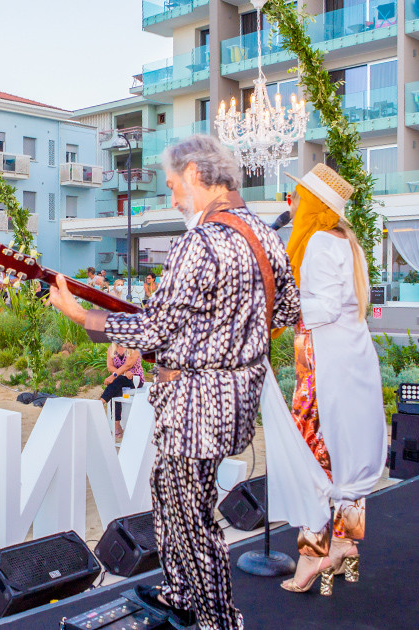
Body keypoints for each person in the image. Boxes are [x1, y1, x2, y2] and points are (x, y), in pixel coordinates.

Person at [49, 135, 299, 630]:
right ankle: (179, 591)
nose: (172, 198)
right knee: (167, 490)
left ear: (194, 174)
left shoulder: (200, 242)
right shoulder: (265, 235)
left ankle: (219, 620)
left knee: (192, 518)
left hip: (196, 405)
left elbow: (153, 329)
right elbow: (287, 309)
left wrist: (81, 315)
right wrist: (228, 334)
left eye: (172, 186)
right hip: (237, 397)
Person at [278, 164, 386, 595]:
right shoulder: (348, 241)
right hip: (348, 362)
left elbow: (323, 307)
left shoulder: (321, 241)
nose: (294, 205)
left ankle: (312, 555)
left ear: (315, 204)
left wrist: (284, 301)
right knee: (348, 455)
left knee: (313, 458)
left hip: (324, 370)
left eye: (299, 197)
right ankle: (345, 546)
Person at [100, 343, 144, 440]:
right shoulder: (111, 348)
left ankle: (101, 402)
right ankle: (117, 426)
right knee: (117, 386)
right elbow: (109, 367)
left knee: (117, 381)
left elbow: (128, 364)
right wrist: (122, 373)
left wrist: (113, 376)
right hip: (121, 378)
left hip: (135, 379)